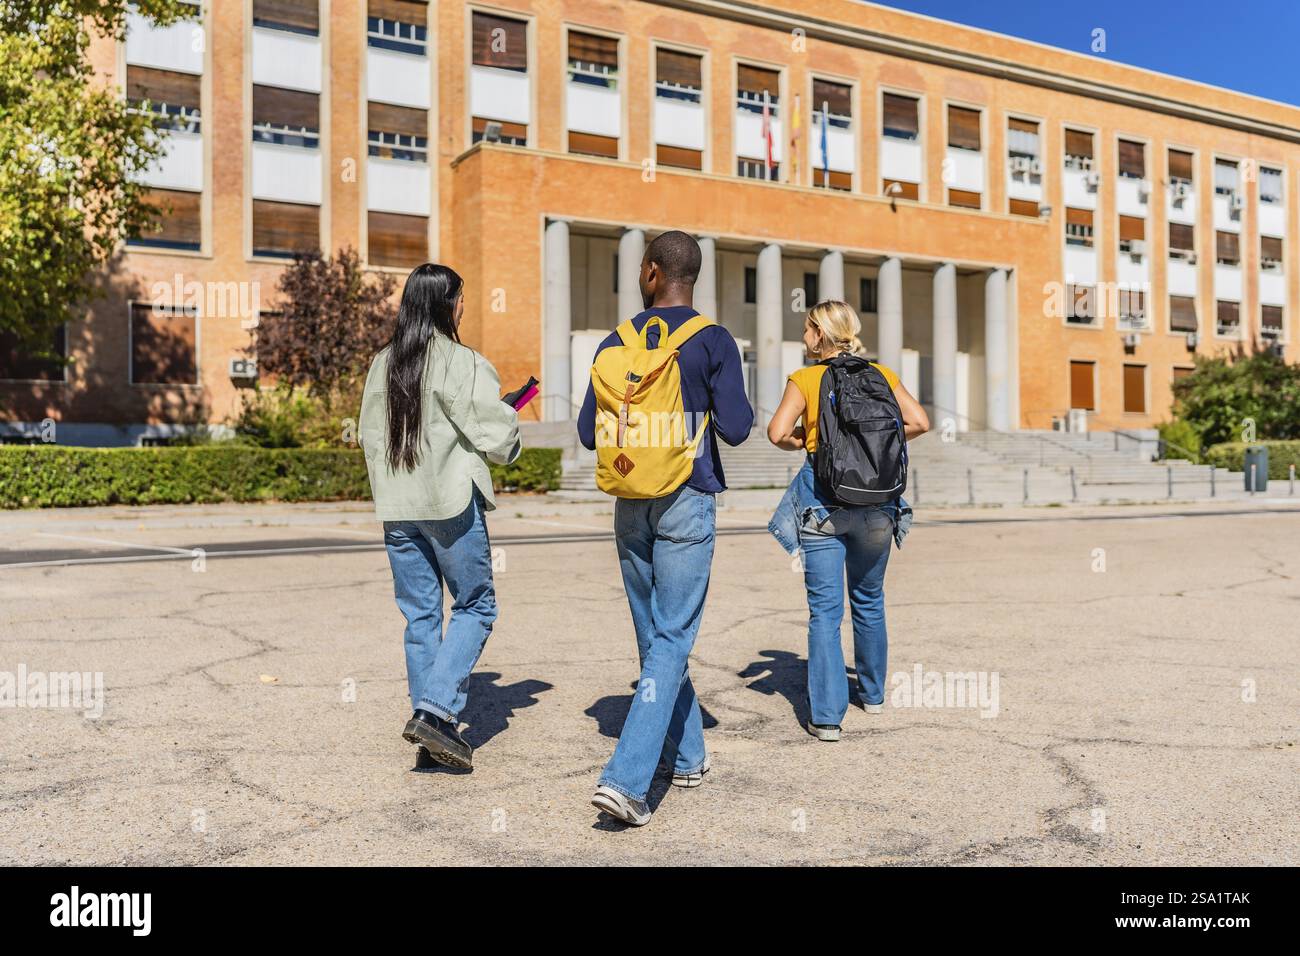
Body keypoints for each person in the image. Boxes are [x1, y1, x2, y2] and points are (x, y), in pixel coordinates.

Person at [577, 231, 754, 826]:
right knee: (672, 639)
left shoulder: (614, 341)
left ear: (652, 271)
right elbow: (737, 427)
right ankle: (627, 781)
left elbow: (585, 432)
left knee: (656, 639)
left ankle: (689, 756)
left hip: (630, 499)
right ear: (691, 276)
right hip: (686, 495)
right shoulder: (713, 340)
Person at [358, 263, 521, 771]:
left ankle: (432, 730)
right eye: (462, 298)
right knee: (476, 606)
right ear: (445, 304)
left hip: (398, 509)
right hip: (449, 505)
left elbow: (367, 436)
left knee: (421, 616)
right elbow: (499, 439)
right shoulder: (461, 361)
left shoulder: (382, 363)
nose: (465, 307)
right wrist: (509, 416)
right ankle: (435, 713)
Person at [766, 300, 928, 742]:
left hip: (825, 505)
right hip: (878, 504)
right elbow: (920, 422)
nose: (803, 337)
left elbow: (777, 432)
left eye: (806, 329)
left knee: (824, 612)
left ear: (821, 333)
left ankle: (827, 718)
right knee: (870, 600)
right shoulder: (882, 375)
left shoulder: (806, 378)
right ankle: (872, 695)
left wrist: (809, 440)